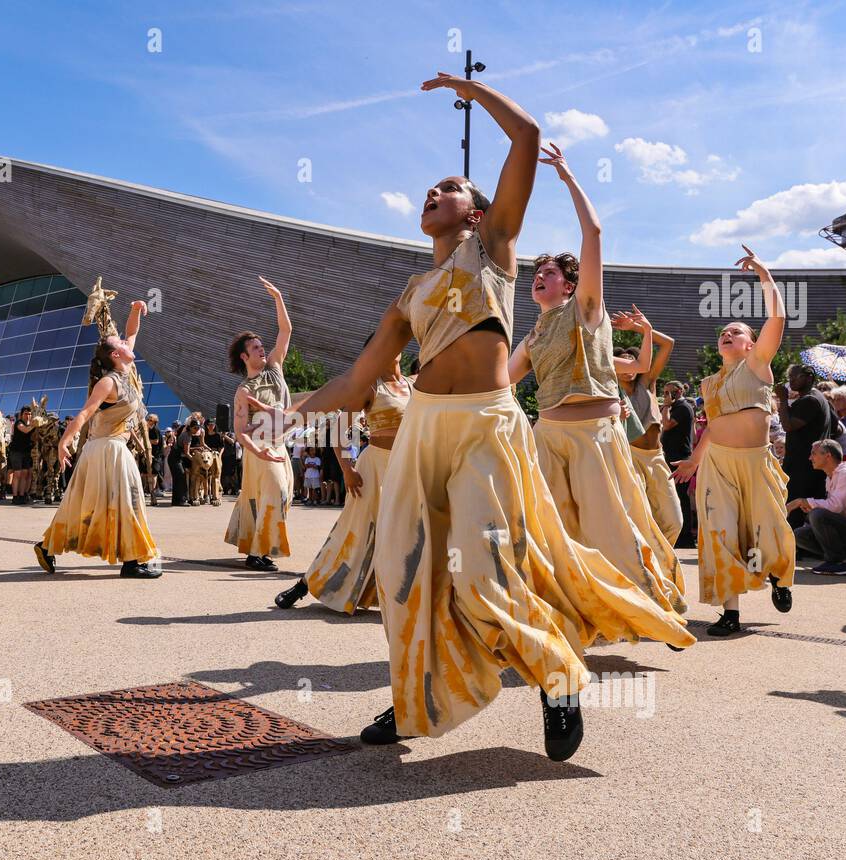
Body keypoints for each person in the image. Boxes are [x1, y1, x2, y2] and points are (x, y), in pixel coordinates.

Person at [281, 72, 693, 757]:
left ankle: (558, 676)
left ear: (474, 213)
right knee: (406, 575)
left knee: (482, 568)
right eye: (431, 190)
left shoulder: (494, 250)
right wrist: (287, 414)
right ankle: (417, 699)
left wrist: (472, 92)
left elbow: (526, 137)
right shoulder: (409, 291)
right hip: (422, 432)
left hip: (486, 426)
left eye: (448, 188)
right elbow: (357, 381)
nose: (433, 193)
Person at [507, 144, 685, 616]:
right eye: (536, 273)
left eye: (550, 272)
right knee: (555, 530)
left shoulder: (585, 310)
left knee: (613, 528)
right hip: (548, 436)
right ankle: (569, 614)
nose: (540, 277)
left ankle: (655, 601)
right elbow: (498, 382)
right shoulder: (532, 335)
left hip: (594, 435)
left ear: (569, 283)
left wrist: (567, 177)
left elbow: (595, 231)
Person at [672, 248, 796, 636]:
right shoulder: (709, 383)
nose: (728, 335)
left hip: (756, 462)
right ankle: (730, 613)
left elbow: (778, 316)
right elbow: (712, 426)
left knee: (766, 529)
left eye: (736, 331)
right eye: (723, 332)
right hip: (718, 465)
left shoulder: (757, 364)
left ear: (751, 342)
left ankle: (778, 575)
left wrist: (763, 273)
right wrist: (694, 459)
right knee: (719, 532)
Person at [274, 347, 414, 613]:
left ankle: (392, 595)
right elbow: (339, 428)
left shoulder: (412, 386)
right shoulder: (370, 387)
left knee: (404, 533)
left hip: (405, 468)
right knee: (355, 532)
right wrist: (347, 470)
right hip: (374, 470)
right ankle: (305, 584)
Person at [34, 300, 161, 579]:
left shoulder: (125, 373)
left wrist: (136, 310)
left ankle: (47, 546)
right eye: (123, 344)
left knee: (88, 504)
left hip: (112, 448)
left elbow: (132, 333)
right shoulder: (109, 382)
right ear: (117, 354)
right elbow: (85, 413)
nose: (130, 344)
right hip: (107, 448)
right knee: (125, 500)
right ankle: (131, 561)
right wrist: (63, 442)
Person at [225, 277, 295, 571]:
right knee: (275, 492)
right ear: (244, 356)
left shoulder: (276, 367)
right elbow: (240, 432)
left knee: (284, 496)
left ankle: (259, 547)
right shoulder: (243, 390)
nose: (262, 350)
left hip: (280, 444)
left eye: (262, 345)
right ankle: (257, 553)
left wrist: (278, 298)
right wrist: (258, 451)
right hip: (260, 448)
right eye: (255, 348)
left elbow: (285, 330)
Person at [614, 311, 683, 546]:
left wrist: (640, 328)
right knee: (637, 521)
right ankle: (645, 571)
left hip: (656, 458)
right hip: (627, 458)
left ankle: (659, 563)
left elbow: (668, 344)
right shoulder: (609, 389)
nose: (629, 366)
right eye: (623, 362)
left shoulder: (647, 381)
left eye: (633, 361)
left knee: (674, 521)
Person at [789, 439, 846, 575]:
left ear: (828, 456)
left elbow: (836, 506)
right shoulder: (831, 476)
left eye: (814, 454)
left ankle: (840, 561)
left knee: (817, 515)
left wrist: (801, 502)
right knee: (800, 535)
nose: (810, 458)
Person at [777, 364, 832, 529]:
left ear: (809, 377)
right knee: (805, 509)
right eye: (789, 378)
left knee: (796, 509)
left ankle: (795, 549)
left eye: (795, 377)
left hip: (803, 465)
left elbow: (788, 425)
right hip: (809, 463)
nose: (791, 381)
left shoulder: (811, 399)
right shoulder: (816, 398)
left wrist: (783, 399)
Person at [660, 380, 696, 546]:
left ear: (679, 392)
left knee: (680, 497)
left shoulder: (681, 408)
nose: (666, 396)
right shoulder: (676, 407)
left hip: (679, 457)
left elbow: (666, 425)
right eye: (665, 392)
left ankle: (685, 537)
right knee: (675, 496)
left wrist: (666, 406)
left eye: (670, 393)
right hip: (672, 455)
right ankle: (681, 534)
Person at [9, 406, 36, 505]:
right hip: (16, 452)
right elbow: (25, 430)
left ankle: (22, 495)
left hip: (26, 452)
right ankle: (15, 496)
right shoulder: (19, 423)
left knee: (25, 474)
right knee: (17, 474)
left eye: (29, 414)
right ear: (21, 414)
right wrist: (36, 424)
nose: (28, 416)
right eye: (26, 413)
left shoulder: (31, 425)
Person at [146, 413, 164, 505]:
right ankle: (152, 495)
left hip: (156, 455)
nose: (148, 421)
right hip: (153, 455)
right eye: (148, 419)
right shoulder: (150, 429)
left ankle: (153, 495)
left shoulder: (155, 429)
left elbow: (156, 441)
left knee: (154, 474)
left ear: (154, 422)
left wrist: (145, 440)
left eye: (150, 419)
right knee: (150, 474)